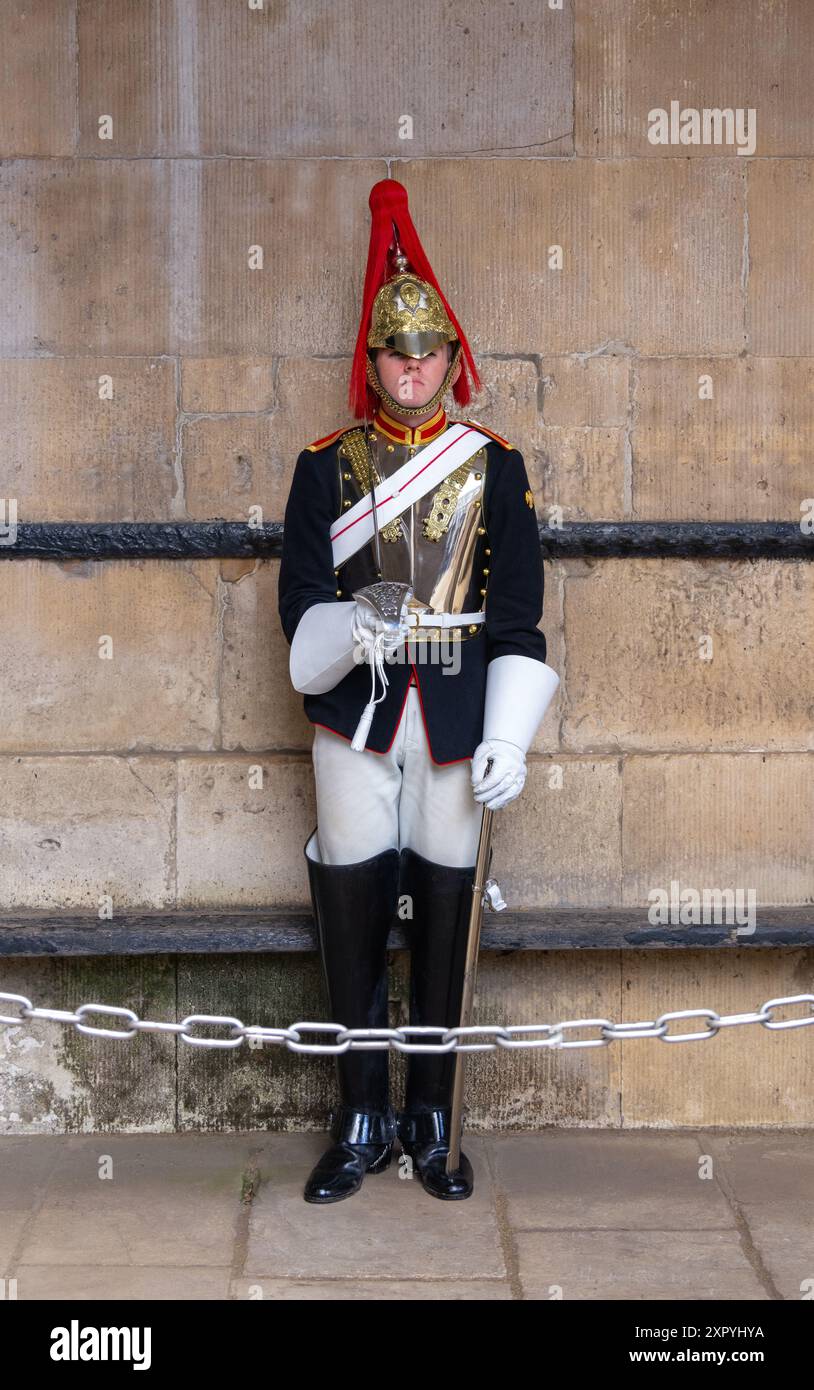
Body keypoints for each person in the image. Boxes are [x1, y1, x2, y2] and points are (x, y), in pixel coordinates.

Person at [278, 178, 559, 1203]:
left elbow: (518, 616)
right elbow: (298, 601)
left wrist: (510, 735)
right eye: (395, 352)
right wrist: (355, 625)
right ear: (374, 359)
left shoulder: (494, 465)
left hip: (452, 714)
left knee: (445, 912)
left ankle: (432, 1117)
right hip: (355, 710)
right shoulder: (325, 467)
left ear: (450, 357)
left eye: (427, 351)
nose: (411, 367)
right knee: (350, 907)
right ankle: (358, 1115)